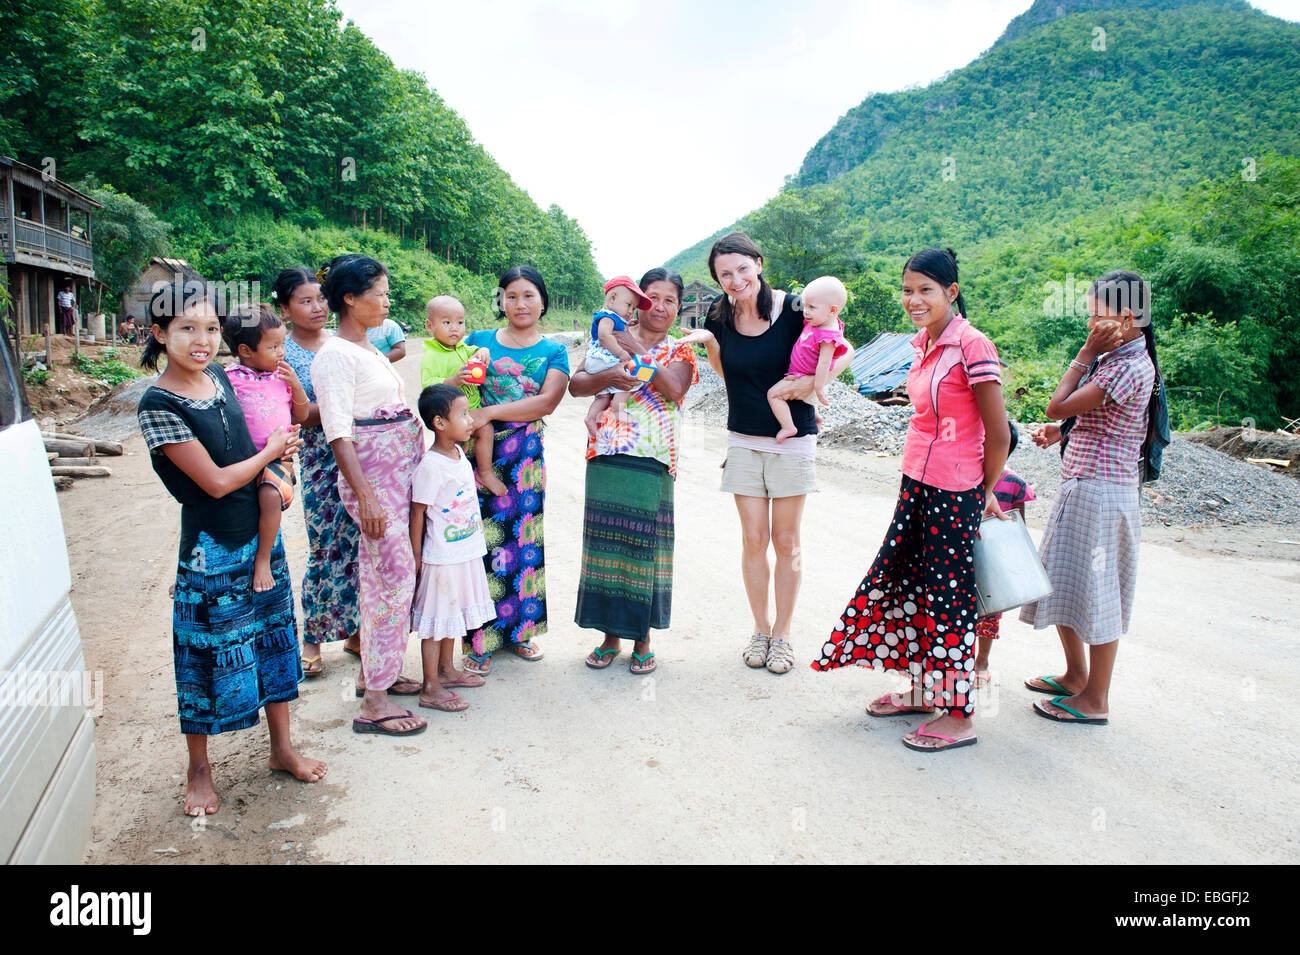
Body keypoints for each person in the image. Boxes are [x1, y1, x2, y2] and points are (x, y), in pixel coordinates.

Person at [135, 278, 324, 816]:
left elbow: (280, 400)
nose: (201, 340)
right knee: (201, 659)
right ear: (159, 333)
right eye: (186, 329)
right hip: (210, 548)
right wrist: (270, 455)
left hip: (260, 537)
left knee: (274, 639)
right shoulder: (157, 405)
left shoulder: (219, 376)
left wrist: (280, 478)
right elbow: (215, 483)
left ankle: (281, 749)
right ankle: (199, 771)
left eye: (211, 329)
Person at [811, 248, 1010, 753]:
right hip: (917, 484)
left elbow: (999, 432)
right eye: (907, 289)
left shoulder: (972, 344)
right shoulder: (922, 343)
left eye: (925, 289)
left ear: (952, 292)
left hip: (956, 492)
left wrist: (983, 494)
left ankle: (960, 715)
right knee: (913, 586)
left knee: (949, 601)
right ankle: (925, 690)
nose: (913, 299)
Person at [691, 232, 853, 674]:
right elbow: (728, 372)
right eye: (725, 273)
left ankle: (783, 634)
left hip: (793, 440)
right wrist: (709, 343)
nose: (735, 279)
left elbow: (845, 347)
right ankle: (760, 630)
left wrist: (813, 384)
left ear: (758, 263)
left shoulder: (797, 307)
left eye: (742, 268)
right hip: (743, 439)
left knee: (786, 541)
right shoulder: (719, 313)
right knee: (753, 540)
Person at [1020, 270, 1158, 726]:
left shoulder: (1124, 363)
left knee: (1098, 595)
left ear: (1129, 316)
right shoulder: (1116, 357)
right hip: (1085, 485)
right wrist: (1063, 431)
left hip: (1101, 492)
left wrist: (1083, 356)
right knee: (1064, 580)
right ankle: (1077, 676)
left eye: (1099, 315)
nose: (1090, 325)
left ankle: (1096, 698)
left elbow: (1058, 404)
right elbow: (1092, 415)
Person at [312, 255, 426, 736]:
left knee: (389, 574)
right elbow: (339, 430)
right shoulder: (334, 355)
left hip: (395, 480)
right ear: (349, 299)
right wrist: (367, 497)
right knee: (391, 577)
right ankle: (374, 704)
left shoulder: (369, 349)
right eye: (378, 292)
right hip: (375, 485)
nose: (386, 301)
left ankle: (376, 672)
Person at [569, 267, 699, 674]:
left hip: (654, 458)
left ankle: (642, 639)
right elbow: (577, 384)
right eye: (653, 297)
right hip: (606, 453)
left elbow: (674, 389)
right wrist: (610, 372)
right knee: (604, 546)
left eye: (669, 300)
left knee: (645, 550)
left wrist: (634, 353)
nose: (659, 307)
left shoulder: (681, 351)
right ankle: (609, 638)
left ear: (678, 308)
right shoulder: (606, 336)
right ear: (639, 300)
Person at [460, 266, 570, 674]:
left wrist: (488, 409)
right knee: (479, 545)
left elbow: (545, 403)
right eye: (510, 296)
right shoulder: (478, 342)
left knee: (524, 541)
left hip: (525, 458)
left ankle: (521, 632)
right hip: (478, 452)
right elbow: (458, 388)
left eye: (528, 295)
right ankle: (478, 640)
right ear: (500, 300)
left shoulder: (553, 351)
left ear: (542, 300)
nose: (519, 304)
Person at [278, 267, 363, 677]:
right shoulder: (282, 354)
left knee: (362, 543)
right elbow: (293, 415)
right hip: (319, 459)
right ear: (285, 308)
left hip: (359, 456)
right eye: (303, 300)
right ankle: (311, 637)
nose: (316, 307)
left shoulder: (342, 343)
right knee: (326, 546)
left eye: (320, 298)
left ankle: (355, 632)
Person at [409, 384, 495, 711]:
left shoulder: (459, 453)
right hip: (442, 557)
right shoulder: (431, 465)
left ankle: (447, 670)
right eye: (462, 414)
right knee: (436, 621)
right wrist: (417, 556)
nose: (470, 420)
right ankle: (430, 685)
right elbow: (418, 511)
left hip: (465, 551)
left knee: (452, 616)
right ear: (439, 423)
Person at [222, 303, 311, 592]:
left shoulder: (282, 376)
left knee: (270, 496)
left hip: (278, 458)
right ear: (246, 351)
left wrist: (296, 386)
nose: (281, 352)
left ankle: (263, 558)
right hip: (243, 458)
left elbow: (301, 415)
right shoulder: (230, 378)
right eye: (273, 346)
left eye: (282, 344)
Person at [972, 423, 1036, 689]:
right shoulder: (966, 476)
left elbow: (1017, 528)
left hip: (995, 560)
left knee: (990, 613)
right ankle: (960, 661)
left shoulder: (1015, 485)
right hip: (965, 553)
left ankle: (981, 662)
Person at [420, 294, 504, 496]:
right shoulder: (432, 354)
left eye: (460, 322)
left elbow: (477, 351)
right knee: (448, 447)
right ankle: (446, 482)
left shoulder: (463, 348)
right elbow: (428, 385)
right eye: (446, 322)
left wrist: (482, 351)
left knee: (486, 430)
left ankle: (485, 473)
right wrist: (452, 381)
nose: (454, 328)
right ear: (430, 326)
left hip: (471, 410)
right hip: (449, 416)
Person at [767, 275, 850, 442]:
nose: (805, 311)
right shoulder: (820, 321)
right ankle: (816, 415)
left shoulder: (828, 337)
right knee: (806, 401)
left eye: (812, 307)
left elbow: (824, 364)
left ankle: (788, 427)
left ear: (832, 311)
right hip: (798, 373)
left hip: (801, 377)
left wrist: (818, 387)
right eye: (805, 305)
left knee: (773, 395)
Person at [581, 275, 652, 438]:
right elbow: (605, 336)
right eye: (629, 305)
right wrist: (621, 353)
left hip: (596, 362)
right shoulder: (607, 316)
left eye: (633, 309)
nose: (630, 311)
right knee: (632, 377)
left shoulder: (612, 317)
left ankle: (591, 418)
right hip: (603, 359)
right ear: (612, 297)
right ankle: (618, 410)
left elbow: (617, 327)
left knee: (603, 396)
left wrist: (628, 323)